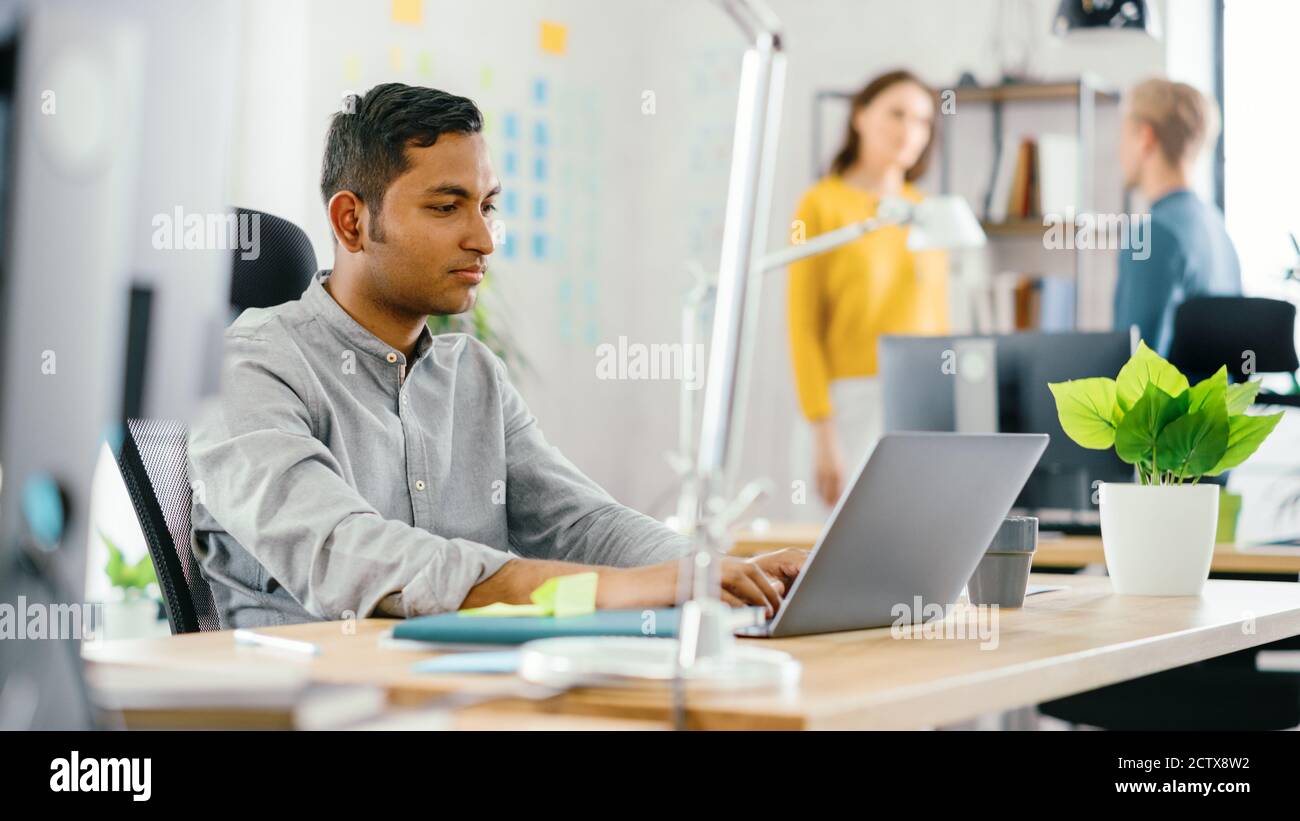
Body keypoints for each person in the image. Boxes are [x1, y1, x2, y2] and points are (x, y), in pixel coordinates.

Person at [189, 83, 806, 628]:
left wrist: (715, 571)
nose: (483, 239)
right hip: (316, 701)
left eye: (487, 206)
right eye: (445, 206)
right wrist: (610, 590)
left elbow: (579, 523)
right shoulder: (248, 368)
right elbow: (345, 552)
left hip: (464, 690)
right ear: (351, 222)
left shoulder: (473, 373)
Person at [788, 69, 949, 509]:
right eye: (896, 114)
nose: (909, 130)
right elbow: (803, 328)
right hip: (846, 407)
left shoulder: (927, 212)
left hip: (919, 406)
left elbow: (940, 322)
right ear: (859, 116)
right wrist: (823, 433)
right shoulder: (820, 204)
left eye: (921, 121)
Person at [1114, 78, 1241, 355]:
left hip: (1172, 400)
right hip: (1220, 399)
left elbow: (1132, 368)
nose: (1119, 150)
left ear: (1145, 137)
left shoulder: (1151, 235)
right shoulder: (1216, 226)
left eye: (1124, 134)